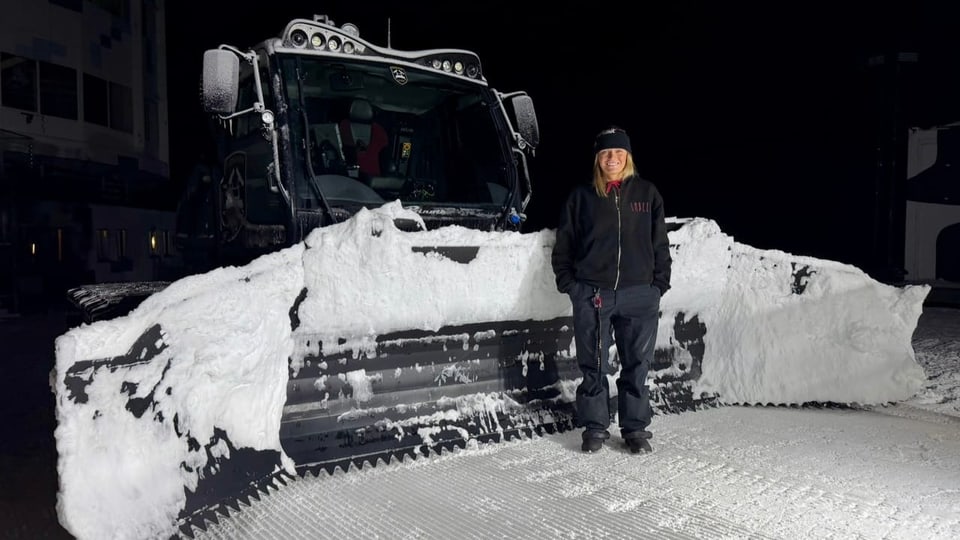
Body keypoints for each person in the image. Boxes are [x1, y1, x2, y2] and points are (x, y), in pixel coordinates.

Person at [551, 126, 672, 454]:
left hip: (639, 295)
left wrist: (658, 285)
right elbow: (564, 245)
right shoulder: (582, 197)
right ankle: (595, 427)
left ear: (628, 156)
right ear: (597, 159)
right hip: (593, 294)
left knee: (637, 365)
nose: (612, 158)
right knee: (593, 364)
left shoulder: (648, 195)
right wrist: (570, 285)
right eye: (605, 153)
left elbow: (660, 243)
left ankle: (635, 429)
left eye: (618, 152)